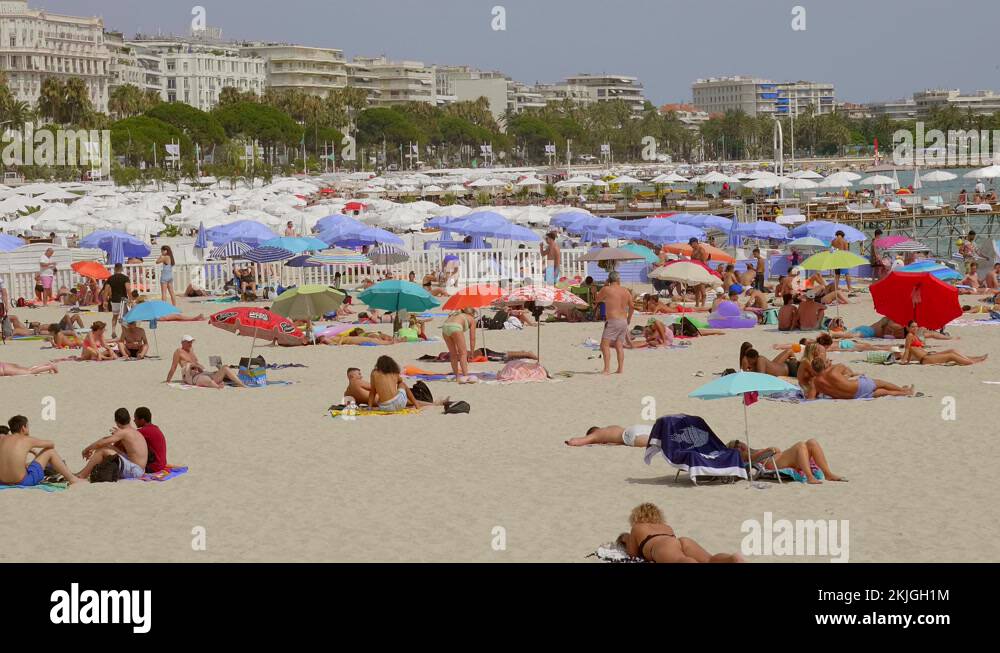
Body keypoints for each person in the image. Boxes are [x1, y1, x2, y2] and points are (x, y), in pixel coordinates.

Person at [617, 503, 744, 563]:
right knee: (709, 559)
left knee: (680, 560)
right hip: (681, 541)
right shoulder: (666, 527)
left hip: (661, 546)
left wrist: (625, 538)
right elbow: (674, 544)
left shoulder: (638, 528)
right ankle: (732, 559)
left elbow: (633, 554)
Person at [0, 415, 84, 486]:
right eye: (27, 426)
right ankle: (73, 479)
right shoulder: (26, 439)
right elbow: (51, 444)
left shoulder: (3, 439)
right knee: (50, 451)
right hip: (22, 481)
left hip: (2, 481)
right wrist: (30, 442)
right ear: (23, 428)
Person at [727, 439, 846, 484]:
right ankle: (809, 477)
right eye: (735, 446)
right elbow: (752, 460)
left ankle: (828, 474)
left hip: (784, 458)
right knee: (800, 445)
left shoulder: (753, 451)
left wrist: (767, 450)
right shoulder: (746, 458)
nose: (739, 445)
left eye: (738, 442)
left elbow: (777, 450)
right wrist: (766, 450)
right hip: (777, 463)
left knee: (812, 443)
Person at [75, 408, 148, 480]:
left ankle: (82, 475)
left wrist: (86, 449)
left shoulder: (124, 432)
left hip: (135, 471)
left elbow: (101, 443)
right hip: (139, 469)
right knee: (107, 446)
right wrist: (93, 448)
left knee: (102, 451)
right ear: (129, 419)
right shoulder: (133, 431)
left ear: (116, 422)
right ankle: (82, 473)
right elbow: (104, 441)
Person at [808, 358, 913, 400]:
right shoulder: (834, 370)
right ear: (825, 365)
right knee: (882, 383)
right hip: (858, 386)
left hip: (853, 397)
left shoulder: (815, 383)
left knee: (884, 392)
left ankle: (903, 393)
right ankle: (903, 390)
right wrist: (848, 375)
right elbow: (845, 368)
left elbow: (811, 399)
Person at [368, 356, 444, 410]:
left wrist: (369, 407)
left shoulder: (374, 373)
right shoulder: (394, 372)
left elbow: (372, 392)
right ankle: (417, 405)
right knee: (403, 385)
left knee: (387, 398)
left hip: (385, 407)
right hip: (398, 403)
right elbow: (400, 381)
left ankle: (428, 404)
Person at [595, 271, 633, 375]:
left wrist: (604, 285)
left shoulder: (606, 289)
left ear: (609, 280)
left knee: (604, 345)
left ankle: (607, 369)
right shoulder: (625, 291)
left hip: (613, 321)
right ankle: (620, 369)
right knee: (619, 345)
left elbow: (596, 299)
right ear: (618, 280)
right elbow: (632, 306)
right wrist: (629, 318)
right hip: (623, 321)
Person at [901, 320, 987, 365]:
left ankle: (972, 358)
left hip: (929, 355)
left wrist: (908, 361)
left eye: (916, 327)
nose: (915, 328)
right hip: (926, 359)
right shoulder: (909, 336)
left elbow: (912, 350)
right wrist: (903, 361)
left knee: (952, 350)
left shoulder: (914, 335)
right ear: (908, 328)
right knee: (951, 356)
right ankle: (971, 362)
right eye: (912, 327)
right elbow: (907, 349)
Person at [441, 308, 477, 383]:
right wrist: (472, 352)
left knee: (453, 354)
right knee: (463, 353)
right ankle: (465, 375)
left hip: (445, 327)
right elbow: (472, 338)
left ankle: (457, 376)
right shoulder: (472, 319)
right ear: (472, 314)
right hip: (455, 327)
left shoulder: (456, 314)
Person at [133, 407, 167, 474]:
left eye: (135, 419)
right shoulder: (155, 428)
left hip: (154, 467)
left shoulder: (144, 431)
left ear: (142, 420)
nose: (134, 421)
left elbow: (129, 435)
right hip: (162, 464)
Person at [566, 424, 652, 447]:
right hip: (634, 428)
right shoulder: (611, 428)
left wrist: (570, 442)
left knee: (655, 442)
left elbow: (580, 441)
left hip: (629, 436)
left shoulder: (596, 434)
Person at [105, 263, 131, 338]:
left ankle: (113, 331)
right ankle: (124, 332)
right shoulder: (125, 278)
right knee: (124, 317)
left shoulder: (110, 278)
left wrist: (105, 301)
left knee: (115, 316)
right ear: (122, 269)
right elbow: (128, 289)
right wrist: (130, 299)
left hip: (114, 299)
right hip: (123, 299)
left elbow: (106, 290)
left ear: (115, 269)